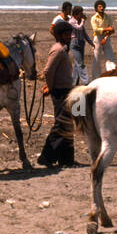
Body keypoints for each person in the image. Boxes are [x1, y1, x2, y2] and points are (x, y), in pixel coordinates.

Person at [37, 20, 76, 167]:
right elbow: (47, 71)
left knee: (68, 124)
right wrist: (50, 87)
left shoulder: (63, 49)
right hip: (60, 91)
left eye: (70, 34)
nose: (69, 36)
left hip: (66, 89)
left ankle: (67, 159)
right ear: (59, 35)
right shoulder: (58, 49)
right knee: (62, 124)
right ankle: (46, 157)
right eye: (66, 34)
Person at [68, 5, 95, 85]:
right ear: (76, 13)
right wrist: (83, 20)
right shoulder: (71, 21)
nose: (82, 15)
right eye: (81, 13)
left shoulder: (80, 21)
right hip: (74, 43)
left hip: (81, 43)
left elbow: (84, 33)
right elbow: (79, 28)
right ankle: (86, 81)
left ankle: (74, 82)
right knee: (80, 63)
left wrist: (91, 42)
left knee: (78, 63)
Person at [90, 0, 115, 74]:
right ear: (96, 8)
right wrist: (107, 29)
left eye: (103, 6)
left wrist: (105, 38)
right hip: (97, 38)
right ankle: (96, 76)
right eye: (100, 6)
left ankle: (111, 73)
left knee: (110, 57)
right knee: (96, 58)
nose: (102, 8)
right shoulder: (94, 18)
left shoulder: (108, 17)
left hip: (106, 37)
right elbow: (96, 30)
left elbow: (111, 30)